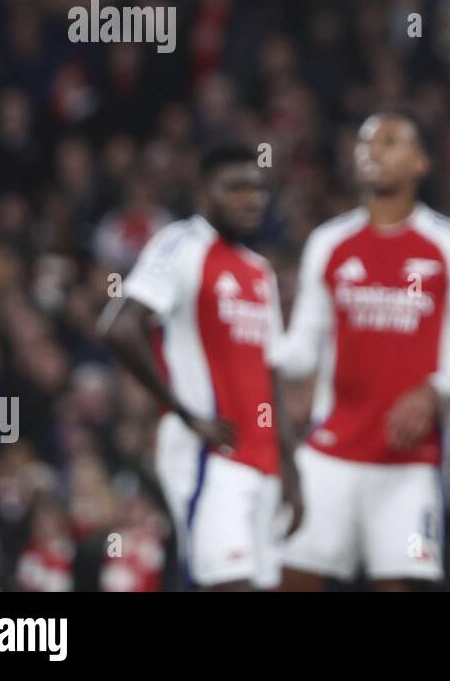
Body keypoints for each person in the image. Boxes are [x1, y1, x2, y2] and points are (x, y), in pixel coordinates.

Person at [278, 112, 450, 590]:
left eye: (390, 141)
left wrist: (433, 390)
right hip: (330, 448)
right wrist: (255, 346)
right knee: (292, 578)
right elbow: (301, 350)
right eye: (365, 141)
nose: (373, 150)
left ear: (421, 162)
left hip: (412, 459)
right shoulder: (328, 243)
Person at [99, 144, 303, 591]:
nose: (250, 199)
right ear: (203, 191)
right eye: (234, 187)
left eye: (256, 188)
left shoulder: (260, 271)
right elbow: (119, 327)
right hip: (211, 454)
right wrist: (185, 414)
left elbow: (270, 373)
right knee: (229, 584)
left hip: (263, 459)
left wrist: (290, 463)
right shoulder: (180, 244)